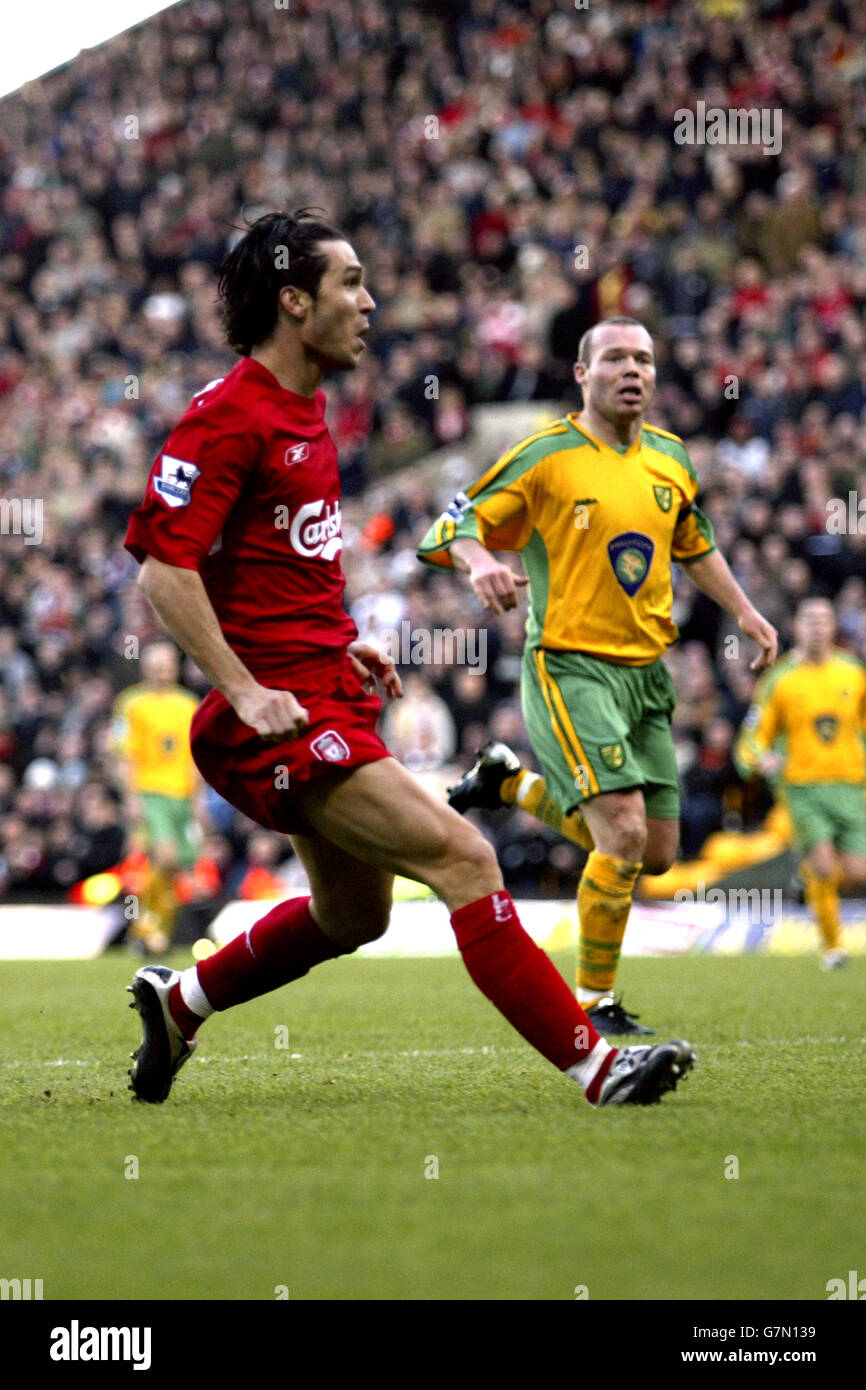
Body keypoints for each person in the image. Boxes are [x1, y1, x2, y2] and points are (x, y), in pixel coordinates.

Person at [123, 214, 693, 1109]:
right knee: (466, 859)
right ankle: (598, 1064)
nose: (370, 301)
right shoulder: (228, 418)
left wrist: (337, 641)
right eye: (351, 283)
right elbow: (165, 571)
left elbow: (265, 568)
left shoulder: (307, 407)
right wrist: (244, 687)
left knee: (357, 914)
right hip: (277, 717)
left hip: (321, 688)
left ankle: (181, 1000)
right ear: (294, 299)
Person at [417, 316, 777, 1034]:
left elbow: (693, 543)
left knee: (659, 855)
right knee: (621, 835)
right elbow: (448, 527)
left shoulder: (671, 458)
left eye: (644, 357)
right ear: (583, 374)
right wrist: (482, 559)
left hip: (647, 675)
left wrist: (745, 611)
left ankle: (507, 785)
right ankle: (594, 1006)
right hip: (570, 667)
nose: (633, 370)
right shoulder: (547, 454)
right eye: (614, 358)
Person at [734, 595, 866, 969]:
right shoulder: (780, 679)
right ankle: (834, 947)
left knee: (857, 873)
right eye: (809, 619)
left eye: (824, 619)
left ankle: (805, 877)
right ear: (796, 626)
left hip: (851, 784)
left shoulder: (853, 672)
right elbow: (753, 734)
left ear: (834, 626)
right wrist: (760, 759)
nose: (816, 626)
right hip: (802, 787)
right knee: (825, 866)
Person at [110, 640, 202, 953]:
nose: (164, 670)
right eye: (157, 664)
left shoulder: (188, 703)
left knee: (175, 868)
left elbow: (194, 756)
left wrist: (198, 799)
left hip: (182, 793)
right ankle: (146, 925)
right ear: (145, 667)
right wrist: (131, 797)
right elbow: (125, 754)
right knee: (164, 857)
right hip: (150, 791)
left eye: (168, 663)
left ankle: (153, 931)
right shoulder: (131, 702)